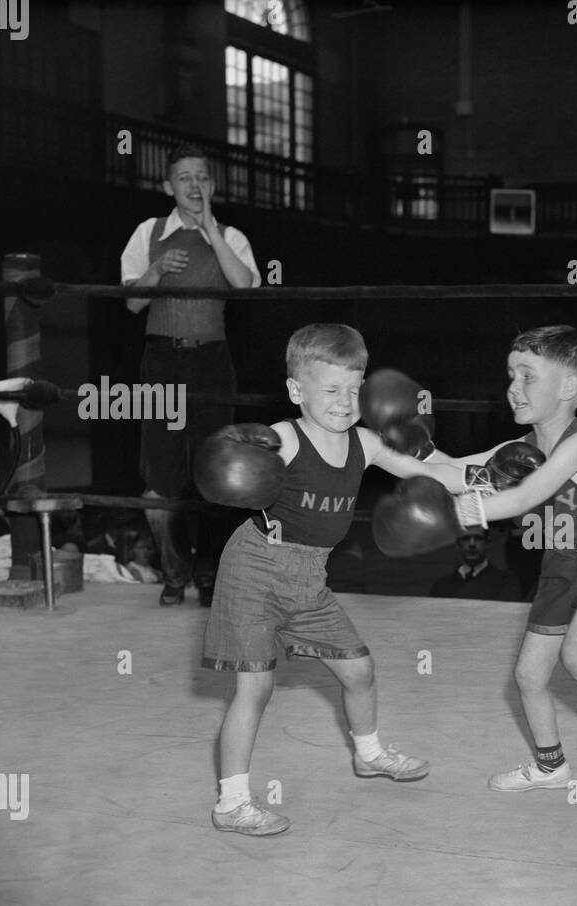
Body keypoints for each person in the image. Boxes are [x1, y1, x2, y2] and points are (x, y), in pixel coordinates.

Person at [198, 323, 472, 837]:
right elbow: (227, 469)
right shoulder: (281, 438)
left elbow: (439, 473)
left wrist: (488, 470)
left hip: (309, 578)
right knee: (254, 689)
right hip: (254, 569)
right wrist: (228, 463)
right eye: (330, 390)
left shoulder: (364, 443)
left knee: (359, 670)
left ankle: (368, 754)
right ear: (296, 391)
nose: (345, 402)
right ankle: (232, 803)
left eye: (354, 388)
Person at [372, 326, 577, 810]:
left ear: (568, 388)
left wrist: (456, 515)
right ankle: (551, 766)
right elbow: (453, 470)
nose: (512, 387)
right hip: (561, 562)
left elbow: (525, 496)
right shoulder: (520, 448)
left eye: (527, 376)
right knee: (528, 676)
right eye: (510, 375)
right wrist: (388, 451)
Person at [121, 144, 261, 608]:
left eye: (202, 177)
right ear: (168, 186)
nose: (194, 185)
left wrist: (211, 232)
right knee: (159, 477)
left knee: (217, 469)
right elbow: (132, 302)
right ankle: (174, 570)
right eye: (184, 178)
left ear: (213, 185)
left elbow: (244, 288)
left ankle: (209, 574)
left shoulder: (233, 235)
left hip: (212, 362)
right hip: (161, 360)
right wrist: (158, 270)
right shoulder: (148, 231)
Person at [428, 529, 520, 601]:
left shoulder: (506, 582)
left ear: (487, 543)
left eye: (478, 538)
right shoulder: (441, 586)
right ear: (458, 545)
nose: (472, 544)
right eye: (466, 539)